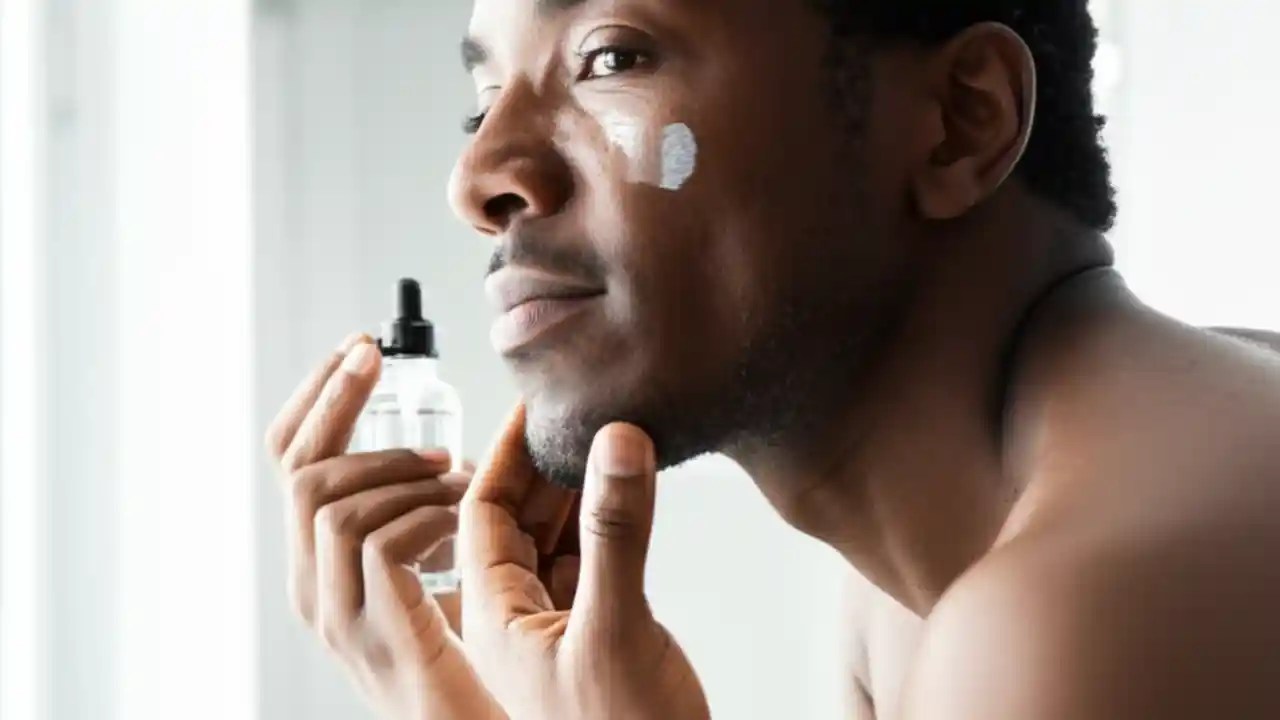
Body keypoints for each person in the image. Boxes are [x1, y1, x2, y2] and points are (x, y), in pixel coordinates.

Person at [265, 1, 1280, 718]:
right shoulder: (922, 576)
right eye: (480, 103)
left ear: (959, 121)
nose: (478, 177)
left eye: (610, 58)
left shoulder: (1082, 611)